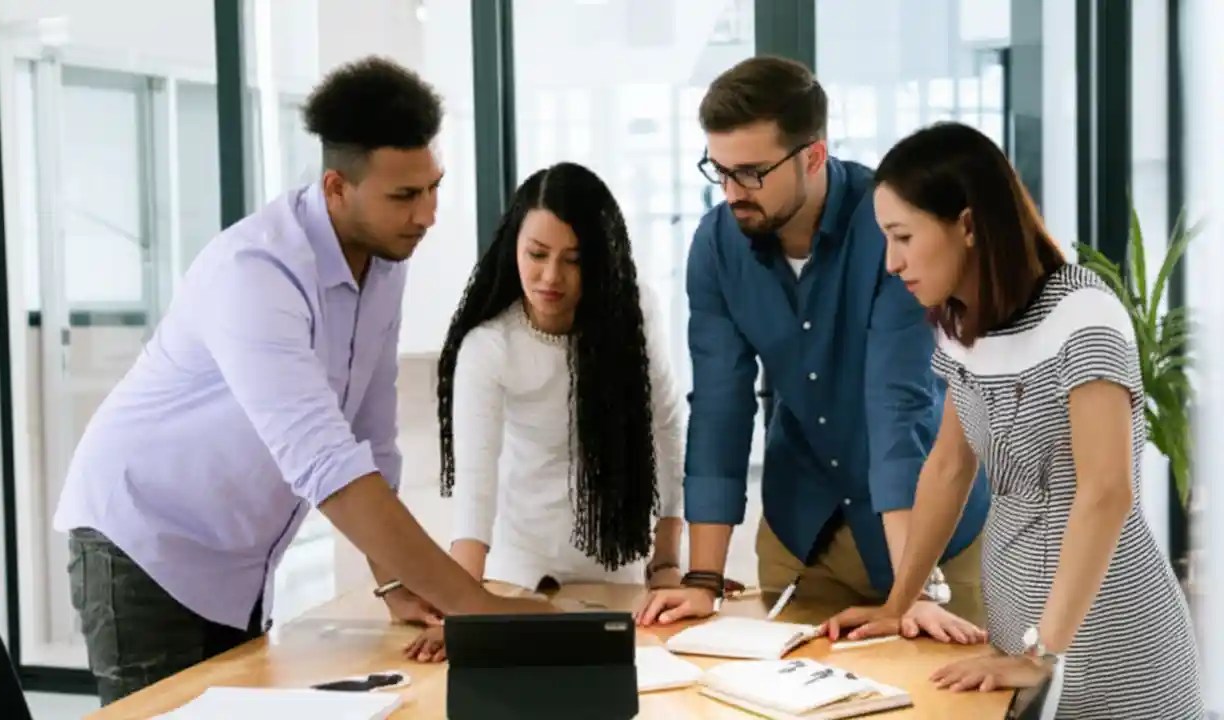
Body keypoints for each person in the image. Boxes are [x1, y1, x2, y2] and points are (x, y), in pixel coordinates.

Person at [52, 56, 552, 705]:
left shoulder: (384, 265)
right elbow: (322, 460)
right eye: (404, 195)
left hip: (236, 563)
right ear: (337, 187)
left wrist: (394, 581)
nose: (427, 214)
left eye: (433, 187)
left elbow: (369, 436)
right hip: (142, 542)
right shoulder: (255, 272)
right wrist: (473, 606)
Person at [823, 121, 1204, 718]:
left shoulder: (1084, 317)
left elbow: (1105, 493)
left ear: (968, 225)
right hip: (1014, 637)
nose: (891, 263)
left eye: (902, 237)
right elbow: (949, 468)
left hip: (1110, 651)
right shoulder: (964, 326)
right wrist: (900, 602)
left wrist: (1044, 651)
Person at [636, 56, 989, 640]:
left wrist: (913, 592)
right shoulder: (717, 246)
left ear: (813, 156)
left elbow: (895, 408)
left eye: (749, 172)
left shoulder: (890, 228)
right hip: (805, 533)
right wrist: (702, 578)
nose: (730, 192)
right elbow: (721, 407)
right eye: (717, 170)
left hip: (929, 539)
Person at [402, 162, 685, 663]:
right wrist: (459, 609)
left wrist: (667, 561)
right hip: (517, 565)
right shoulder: (490, 345)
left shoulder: (633, 312)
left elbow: (666, 426)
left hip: (614, 558)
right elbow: (475, 486)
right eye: (536, 254)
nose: (550, 277)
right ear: (514, 245)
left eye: (573, 260)